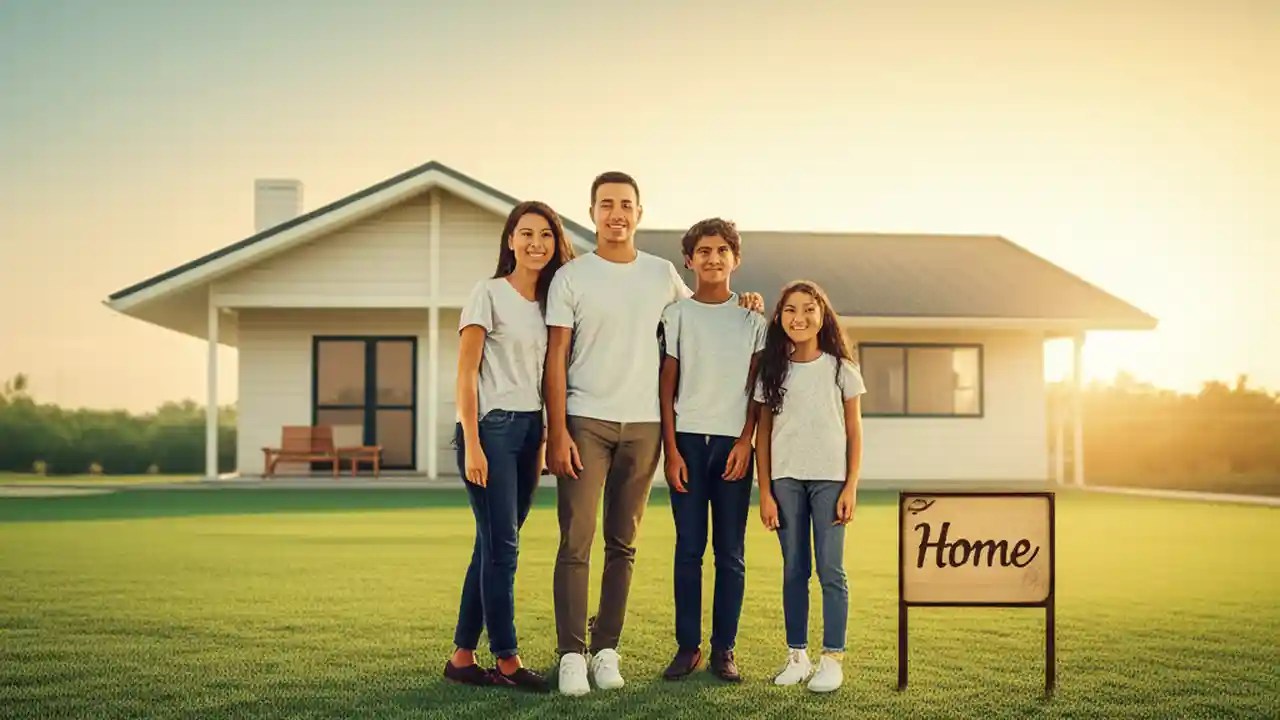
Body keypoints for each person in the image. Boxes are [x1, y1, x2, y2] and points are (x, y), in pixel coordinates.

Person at [543, 172, 763, 696]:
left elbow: (711, 309)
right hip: (586, 420)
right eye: (605, 205)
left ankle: (607, 649)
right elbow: (554, 357)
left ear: (639, 213)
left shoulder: (663, 274)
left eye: (625, 204)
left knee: (624, 543)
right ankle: (572, 652)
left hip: (644, 426)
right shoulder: (572, 278)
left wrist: (750, 300)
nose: (615, 213)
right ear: (592, 212)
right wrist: (557, 431)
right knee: (577, 539)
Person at [444, 200, 575, 693]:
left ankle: (461, 657)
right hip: (491, 430)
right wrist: (473, 442)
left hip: (527, 432)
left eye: (545, 234)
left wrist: (540, 440)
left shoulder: (551, 305)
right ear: (510, 240)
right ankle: (506, 659)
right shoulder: (488, 294)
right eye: (526, 233)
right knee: (504, 548)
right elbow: (465, 373)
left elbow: (545, 378)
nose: (535, 243)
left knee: (492, 546)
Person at [657, 218, 766, 682]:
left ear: (735, 259)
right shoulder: (677, 315)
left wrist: (747, 442)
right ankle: (688, 647)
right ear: (689, 260)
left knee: (731, 553)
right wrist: (670, 449)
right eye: (703, 251)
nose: (713, 258)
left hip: (733, 447)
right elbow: (666, 388)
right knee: (688, 549)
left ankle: (724, 650)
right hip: (687, 442)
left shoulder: (753, 320)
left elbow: (758, 389)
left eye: (722, 250)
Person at [754, 280, 866, 693]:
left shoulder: (841, 368)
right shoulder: (773, 369)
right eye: (789, 311)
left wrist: (851, 486)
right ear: (780, 318)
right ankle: (796, 657)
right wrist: (764, 491)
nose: (798, 318)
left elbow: (854, 432)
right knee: (794, 569)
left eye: (808, 309)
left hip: (831, 480)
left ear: (823, 315)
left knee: (831, 570)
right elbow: (761, 436)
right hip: (785, 480)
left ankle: (832, 658)